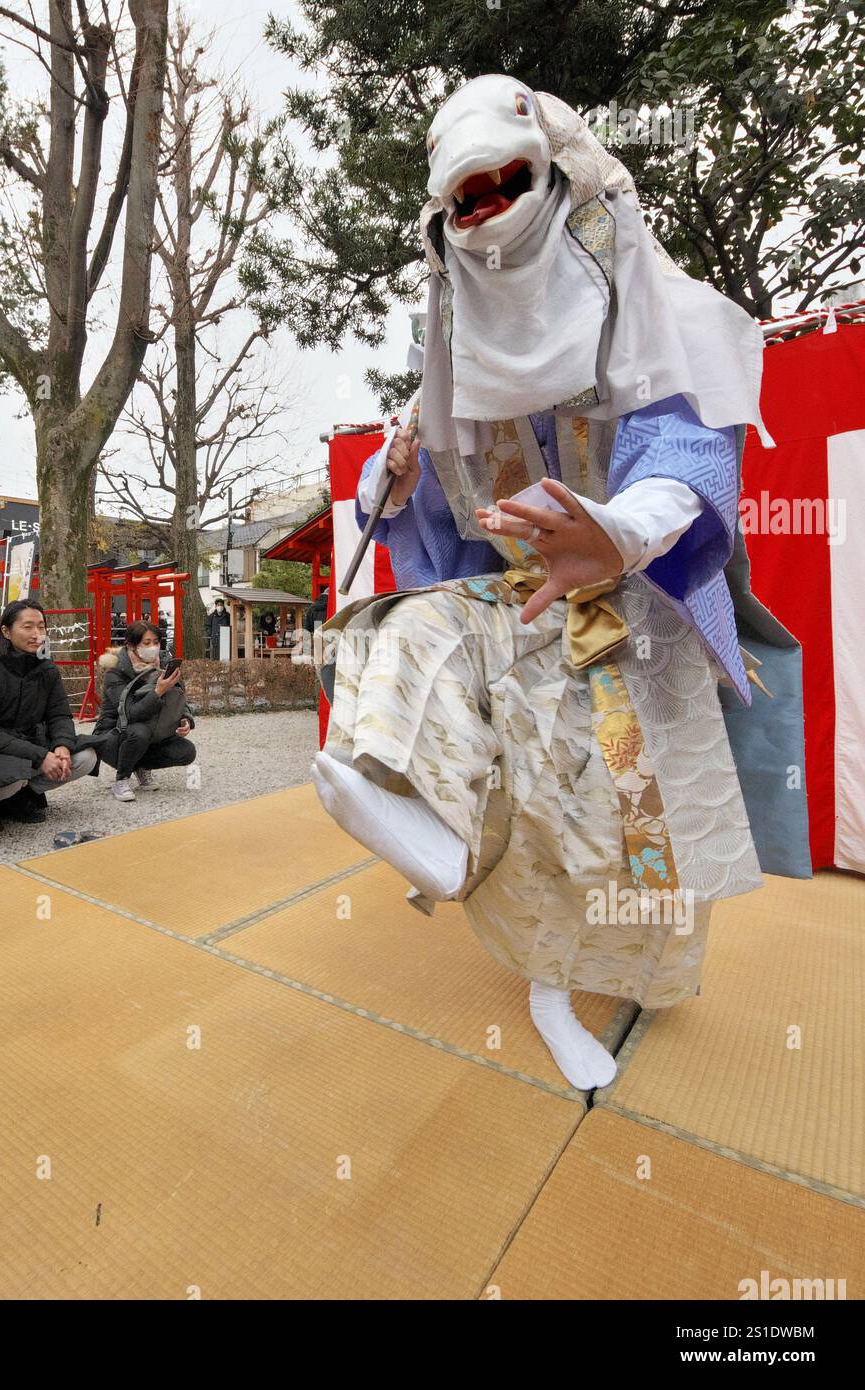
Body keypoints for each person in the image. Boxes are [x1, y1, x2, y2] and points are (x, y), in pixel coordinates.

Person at [313, 75, 809, 1093]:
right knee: (405, 638)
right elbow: (436, 521)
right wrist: (389, 486)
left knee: (630, 835)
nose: (487, 204)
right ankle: (401, 806)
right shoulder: (448, 374)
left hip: (636, 628)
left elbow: (684, 447)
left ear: (569, 182)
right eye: (467, 196)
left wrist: (618, 530)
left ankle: (623, 976)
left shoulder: (663, 319)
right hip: (524, 610)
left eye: (507, 179)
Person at [0, 600, 104, 831]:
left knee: (85, 757)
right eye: (28, 627)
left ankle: (21, 798)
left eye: (41, 626)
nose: (36, 634)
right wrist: (40, 756)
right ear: (6, 632)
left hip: (32, 744)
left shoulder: (47, 669)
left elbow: (60, 715)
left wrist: (62, 746)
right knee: (14, 771)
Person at [94, 621, 196, 802]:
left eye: (156, 642)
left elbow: (177, 696)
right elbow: (130, 714)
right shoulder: (115, 672)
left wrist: (185, 719)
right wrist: (158, 691)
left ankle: (139, 766)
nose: (153, 647)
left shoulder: (162, 665)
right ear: (132, 645)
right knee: (140, 731)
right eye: (146, 643)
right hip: (113, 737)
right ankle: (121, 780)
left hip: (149, 732)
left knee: (186, 751)